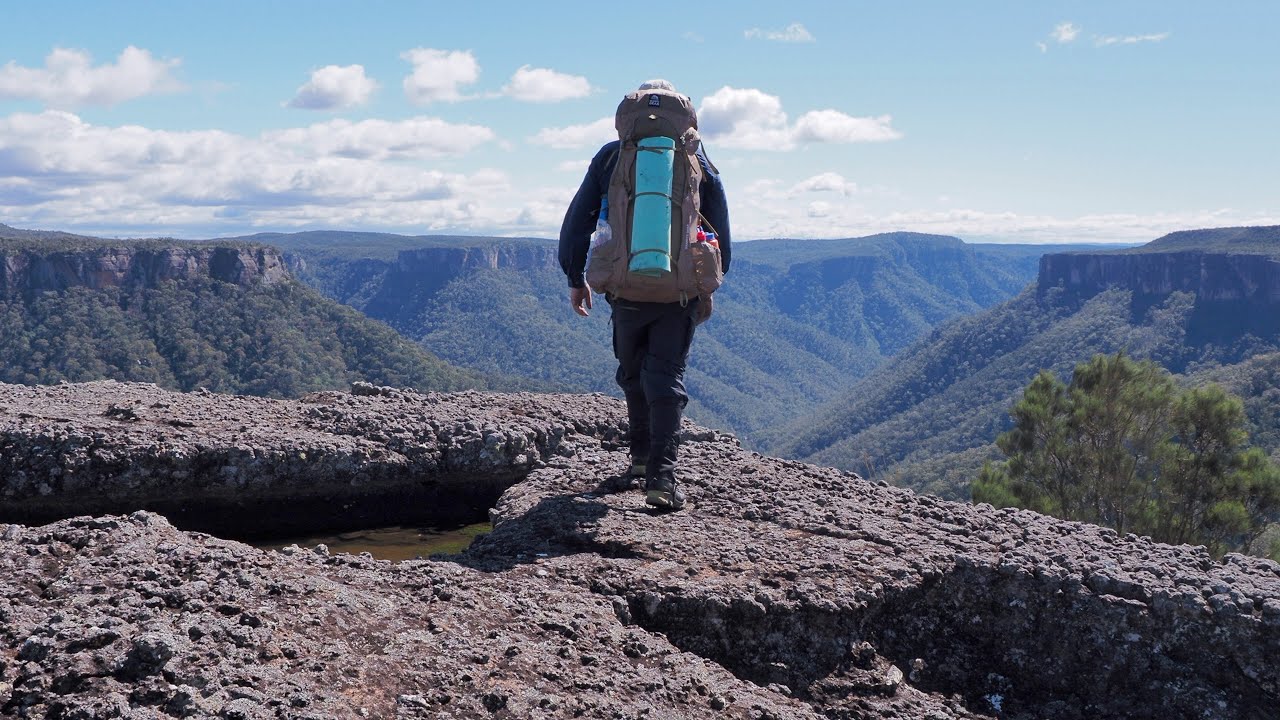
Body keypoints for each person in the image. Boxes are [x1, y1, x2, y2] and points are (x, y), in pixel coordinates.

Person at [558, 79, 731, 511]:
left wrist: (574, 277)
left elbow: (578, 218)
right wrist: (706, 286)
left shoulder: (612, 157)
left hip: (625, 289)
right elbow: (720, 233)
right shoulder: (697, 161)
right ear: (686, 118)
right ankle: (662, 479)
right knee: (666, 379)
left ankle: (638, 460)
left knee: (632, 372)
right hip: (678, 294)